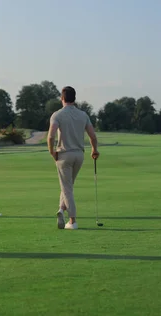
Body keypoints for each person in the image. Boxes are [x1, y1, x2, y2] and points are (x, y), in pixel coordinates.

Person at [47, 86, 99, 230]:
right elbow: (92, 136)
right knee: (68, 186)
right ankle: (61, 210)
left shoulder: (57, 115)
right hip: (79, 155)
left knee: (67, 188)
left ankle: (73, 221)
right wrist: (94, 150)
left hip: (64, 154)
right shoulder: (83, 115)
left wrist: (52, 152)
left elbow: (50, 137)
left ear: (62, 98)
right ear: (74, 98)